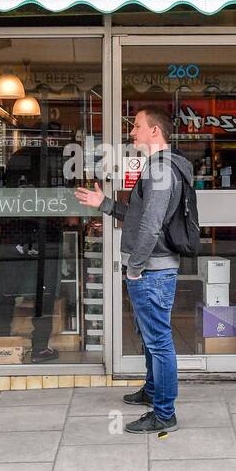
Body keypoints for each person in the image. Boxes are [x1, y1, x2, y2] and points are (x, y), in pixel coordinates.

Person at [75, 106, 194, 433]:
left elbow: (152, 226)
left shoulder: (160, 170)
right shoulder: (160, 167)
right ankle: (153, 391)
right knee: (150, 336)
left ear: (154, 131)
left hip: (152, 270)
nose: (131, 132)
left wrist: (135, 268)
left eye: (137, 126)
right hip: (154, 268)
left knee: (158, 341)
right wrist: (106, 205)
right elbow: (142, 216)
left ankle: (164, 412)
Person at [0, 130, 65, 362]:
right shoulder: (57, 157)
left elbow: (6, 194)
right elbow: (63, 195)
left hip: (15, 232)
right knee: (45, 292)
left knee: (6, 291)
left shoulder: (18, 157)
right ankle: (40, 348)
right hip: (46, 232)